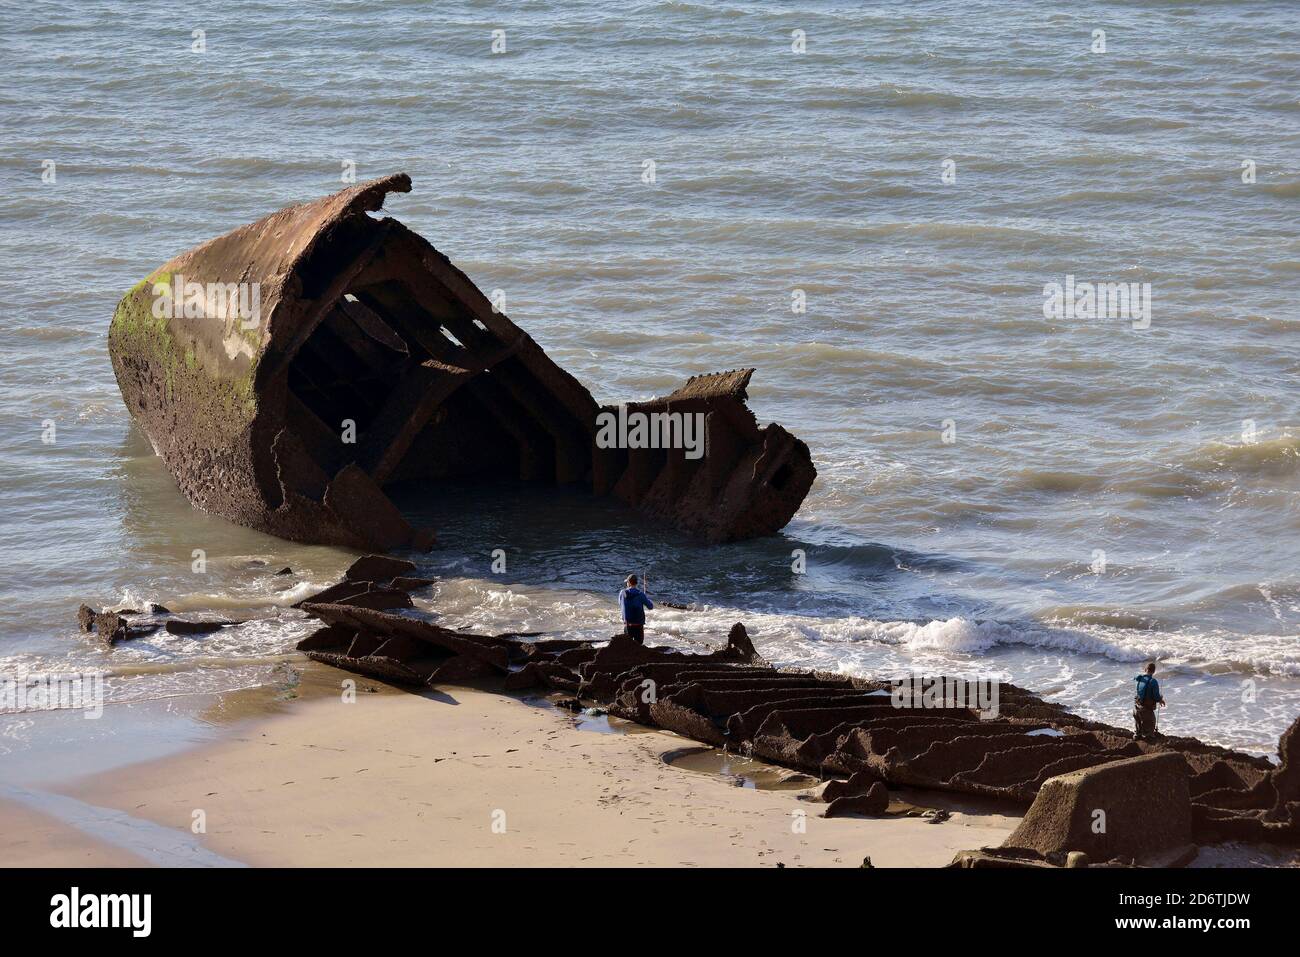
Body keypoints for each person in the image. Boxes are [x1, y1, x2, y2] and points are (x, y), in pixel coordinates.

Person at [1133, 661, 1166, 741]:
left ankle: (1137, 736)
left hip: (1136, 708)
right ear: (1154, 671)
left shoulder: (1140, 679)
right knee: (1151, 725)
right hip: (1146, 711)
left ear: (1145, 670)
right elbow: (1156, 697)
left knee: (1138, 729)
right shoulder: (1153, 682)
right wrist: (1161, 700)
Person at [618, 574, 654, 645]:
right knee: (639, 646)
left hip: (627, 625)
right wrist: (646, 598)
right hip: (638, 625)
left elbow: (620, 604)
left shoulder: (622, 593)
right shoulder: (640, 594)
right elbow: (650, 607)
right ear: (636, 583)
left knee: (628, 647)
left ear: (628, 583)